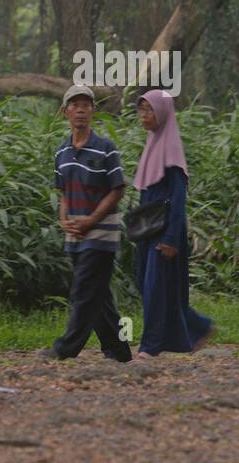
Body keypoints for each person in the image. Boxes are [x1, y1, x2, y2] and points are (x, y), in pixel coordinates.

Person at [38, 84, 134, 362]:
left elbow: (117, 189)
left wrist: (92, 219)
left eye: (86, 105)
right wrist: (62, 218)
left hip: (102, 234)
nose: (81, 110)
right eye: (75, 105)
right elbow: (64, 191)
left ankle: (65, 348)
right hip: (75, 234)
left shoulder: (106, 149)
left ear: (93, 111)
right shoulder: (61, 152)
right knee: (98, 295)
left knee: (83, 289)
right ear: (64, 112)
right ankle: (118, 350)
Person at [131, 89, 216, 358]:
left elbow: (178, 201)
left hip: (166, 231)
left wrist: (170, 238)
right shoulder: (152, 144)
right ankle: (198, 327)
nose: (144, 116)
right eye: (140, 110)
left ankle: (150, 346)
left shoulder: (170, 150)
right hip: (149, 229)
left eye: (149, 110)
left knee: (156, 288)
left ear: (163, 113)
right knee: (150, 285)